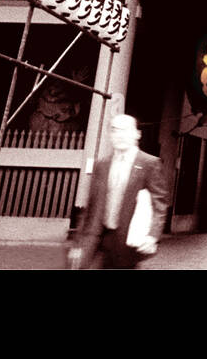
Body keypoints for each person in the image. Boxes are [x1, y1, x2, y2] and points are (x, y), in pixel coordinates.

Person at [70, 114, 168, 269]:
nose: (120, 135)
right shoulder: (102, 164)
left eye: (126, 130)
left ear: (137, 134)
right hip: (97, 237)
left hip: (127, 238)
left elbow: (159, 205)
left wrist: (152, 235)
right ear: (110, 134)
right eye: (115, 130)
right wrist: (78, 242)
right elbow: (91, 206)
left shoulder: (149, 163)